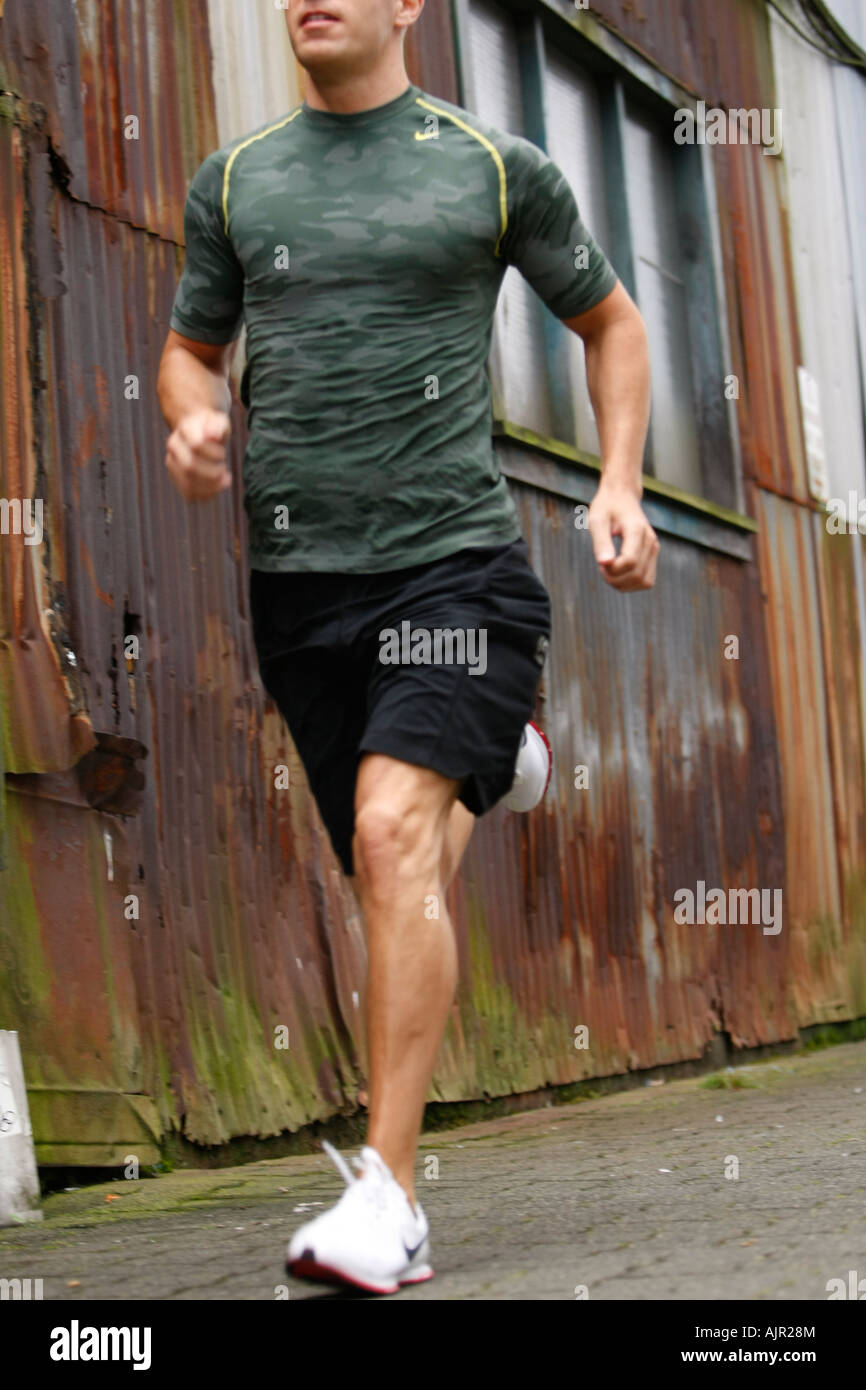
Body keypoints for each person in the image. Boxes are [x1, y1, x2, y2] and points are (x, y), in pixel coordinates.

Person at [157, 0, 657, 1295]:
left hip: (450, 564)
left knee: (390, 835)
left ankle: (390, 1195)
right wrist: (193, 416)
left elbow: (607, 319)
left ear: (406, 7)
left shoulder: (491, 168)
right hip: (298, 593)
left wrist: (617, 479)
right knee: (404, 859)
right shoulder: (238, 181)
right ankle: (505, 748)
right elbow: (187, 349)